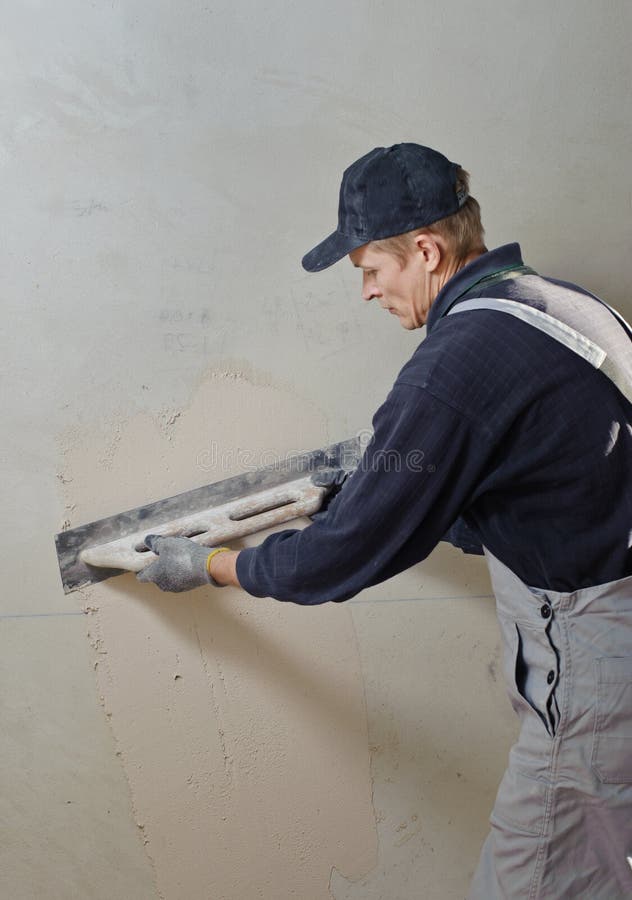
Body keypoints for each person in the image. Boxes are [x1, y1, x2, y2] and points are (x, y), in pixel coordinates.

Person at [137, 143, 632, 898]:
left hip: (602, 662)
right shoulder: (559, 306)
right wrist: (389, 488)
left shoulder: (457, 363)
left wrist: (209, 565)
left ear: (427, 250)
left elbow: (337, 559)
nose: (367, 293)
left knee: (532, 880)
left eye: (372, 270)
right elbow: (560, 482)